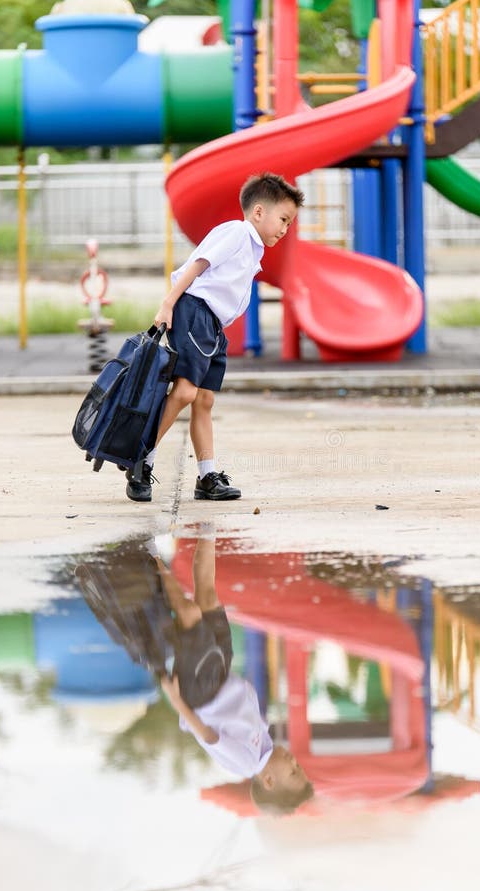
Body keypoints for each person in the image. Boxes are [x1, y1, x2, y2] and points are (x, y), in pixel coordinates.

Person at [125, 172, 305, 503]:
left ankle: (207, 477)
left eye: (289, 223)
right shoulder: (237, 233)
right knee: (185, 392)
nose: (284, 229)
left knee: (204, 400)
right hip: (194, 312)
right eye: (283, 219)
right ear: (259, 212)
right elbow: (197, 264)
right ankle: (141, 459)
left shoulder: (254, 250)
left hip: (212, 326)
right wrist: (168, 304)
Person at [160, 529, 314, 816]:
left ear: (268, 781)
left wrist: (177, 700)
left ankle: (153, 558)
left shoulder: (244, 762)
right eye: (299, 768)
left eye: (292, 772)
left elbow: (207, 735)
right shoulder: (264, 744)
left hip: (202, 691)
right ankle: (208, 528)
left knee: (190, 614)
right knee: (208, 596)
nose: (294, 762)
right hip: (221, 673)